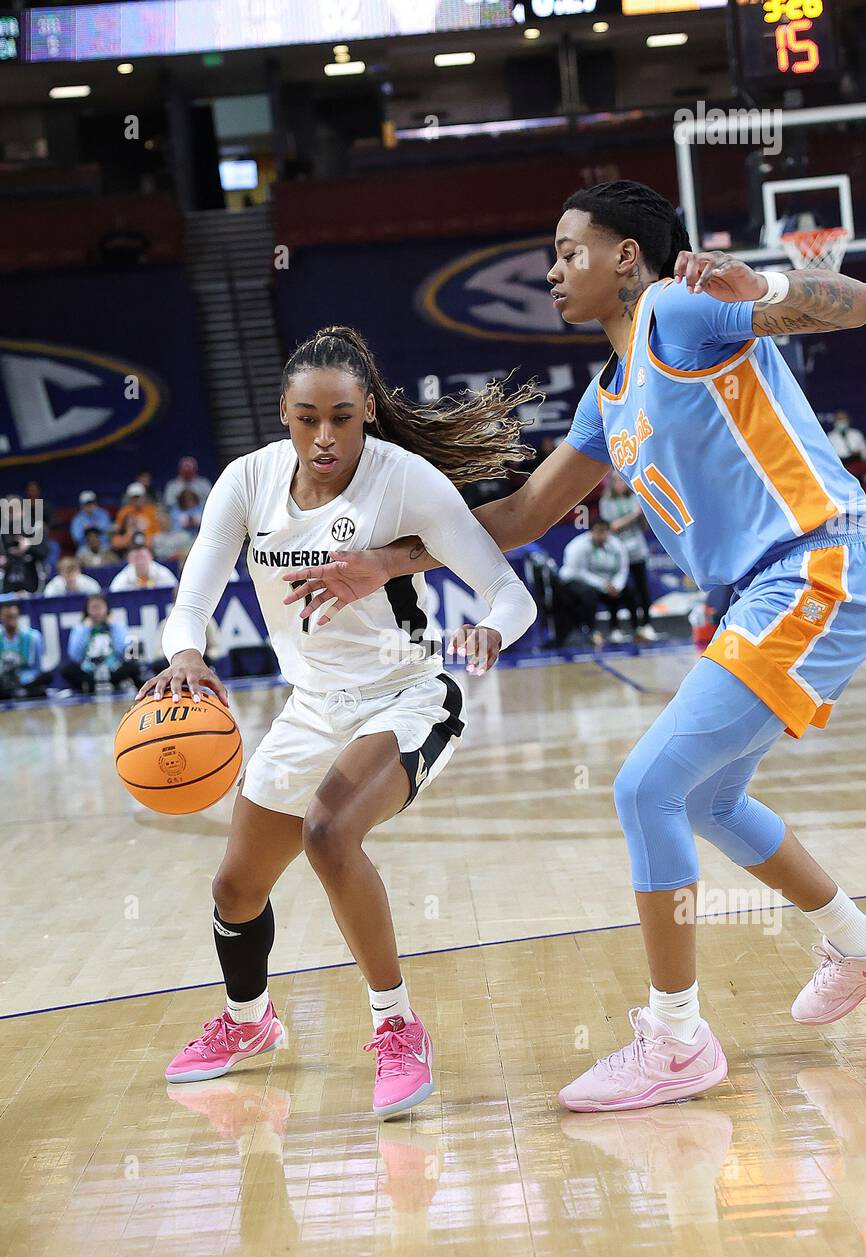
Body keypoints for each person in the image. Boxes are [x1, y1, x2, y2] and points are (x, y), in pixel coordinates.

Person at [283, 181, 866, 1115]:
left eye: (568, 251)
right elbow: (519, 515)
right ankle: (853, 941)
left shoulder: (680, 310)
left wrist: (760, 283)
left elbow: (840, 305)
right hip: (768, 587)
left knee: (648, 787)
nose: (552, 270)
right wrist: (387, 563)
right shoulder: (610, 392)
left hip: (818, 564)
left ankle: (677, 1040)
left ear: (626, 256)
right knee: (709, 797)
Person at [137, 324, 536, 1117]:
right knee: (235, 888)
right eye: (308, 417)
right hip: (312, 706)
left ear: (368, 414)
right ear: (283, 412)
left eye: (344, 418)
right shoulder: (245, 484)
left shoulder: (406, 481)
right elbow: (192, 600)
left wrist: (491, 631)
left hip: (407, 694)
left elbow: (510, 593)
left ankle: (398, 1027)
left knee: (327, 833)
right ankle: (249, 1024)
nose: (325, 437)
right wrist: (186, 654)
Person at [559, 516, 637, 646]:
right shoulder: (578, 545)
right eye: (599, 531)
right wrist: (604, 585)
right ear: (591, 531)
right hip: (575, 580)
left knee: (628, 591)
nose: (603, 535)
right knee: (589, 595)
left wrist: (616, 586)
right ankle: (592, 631)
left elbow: (622, 569)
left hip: (604, 583)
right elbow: (580, 572)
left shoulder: (616, 544)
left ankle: (625, 629)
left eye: (605, 531)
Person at [599, 472, 658, 639]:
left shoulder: (634, 498)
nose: (620, 485)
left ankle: (646, 625)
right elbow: (612, 526)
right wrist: (634, 514)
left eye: (622, 481)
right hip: (617, 552)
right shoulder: (606, 502)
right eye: (616, 481)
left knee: (642, 589)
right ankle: (615, 628)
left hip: (637, 550)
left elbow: (644, 525)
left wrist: (643, 513)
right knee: (617, 589)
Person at [62, 593, 143, 694]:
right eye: (93, 608)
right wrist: (85, 629)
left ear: (107, 608)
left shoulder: (117, 626)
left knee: (133, 665)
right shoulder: (80, 628)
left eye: (100, 607)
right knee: (67, 669)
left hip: (113, 669)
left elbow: (122, 650)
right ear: (87, 610)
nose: (97, 612)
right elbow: (75, 656)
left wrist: (113, 627)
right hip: (89, 670)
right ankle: (87, 686)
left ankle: (115, 684)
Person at [0, 602, 51, 699]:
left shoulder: (33, 637)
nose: (12, 620)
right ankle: (22, 694)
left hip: (25, 681)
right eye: (8, 616)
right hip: (3, 681)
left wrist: (23, 678)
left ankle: (19, 693)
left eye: (14, 616)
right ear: (1, 617)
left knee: (47, 677)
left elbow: (37, 668)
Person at [111, 483, 161, 555]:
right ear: (130, 499)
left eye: (138, 497)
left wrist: (147, 540)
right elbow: (118, 532)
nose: (136, 500)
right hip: (130, 545)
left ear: (144, 497)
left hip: (150, 544)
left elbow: (157, 532)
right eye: (134, 498)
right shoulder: (124, 512)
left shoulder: (152, 511)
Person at [109, 539, 176, 592]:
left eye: (143, 557)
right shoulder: (123, 578)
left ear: (151, 557)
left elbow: (176, 590)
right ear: (129, 560)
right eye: (136, 558)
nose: (140, 561)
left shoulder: (162, 573)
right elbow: (113, 593)